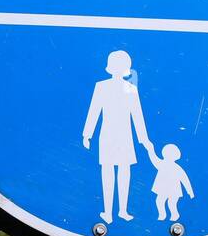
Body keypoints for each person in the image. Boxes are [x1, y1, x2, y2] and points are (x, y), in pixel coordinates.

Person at [82, 50, 152, 223]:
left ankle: (122, 210)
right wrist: (87, 134)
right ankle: (107, 212)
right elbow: (94, 111)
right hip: (107, 135)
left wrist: (143, 139)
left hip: (125, 136)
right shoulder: (101, 86)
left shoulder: (131, 89)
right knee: (107, 172)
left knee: (124, 171)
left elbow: (137, 116)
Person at [147, 143, 194, 221]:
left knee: (171, 203)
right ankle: (162, 214)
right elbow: (153, 158)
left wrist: (190, 192)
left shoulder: (177, 168)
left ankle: (175, 215)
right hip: (163, 189)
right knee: (159, 201)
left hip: (174, 190)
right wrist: (150, 149)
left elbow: (185, 180)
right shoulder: (161, 163)